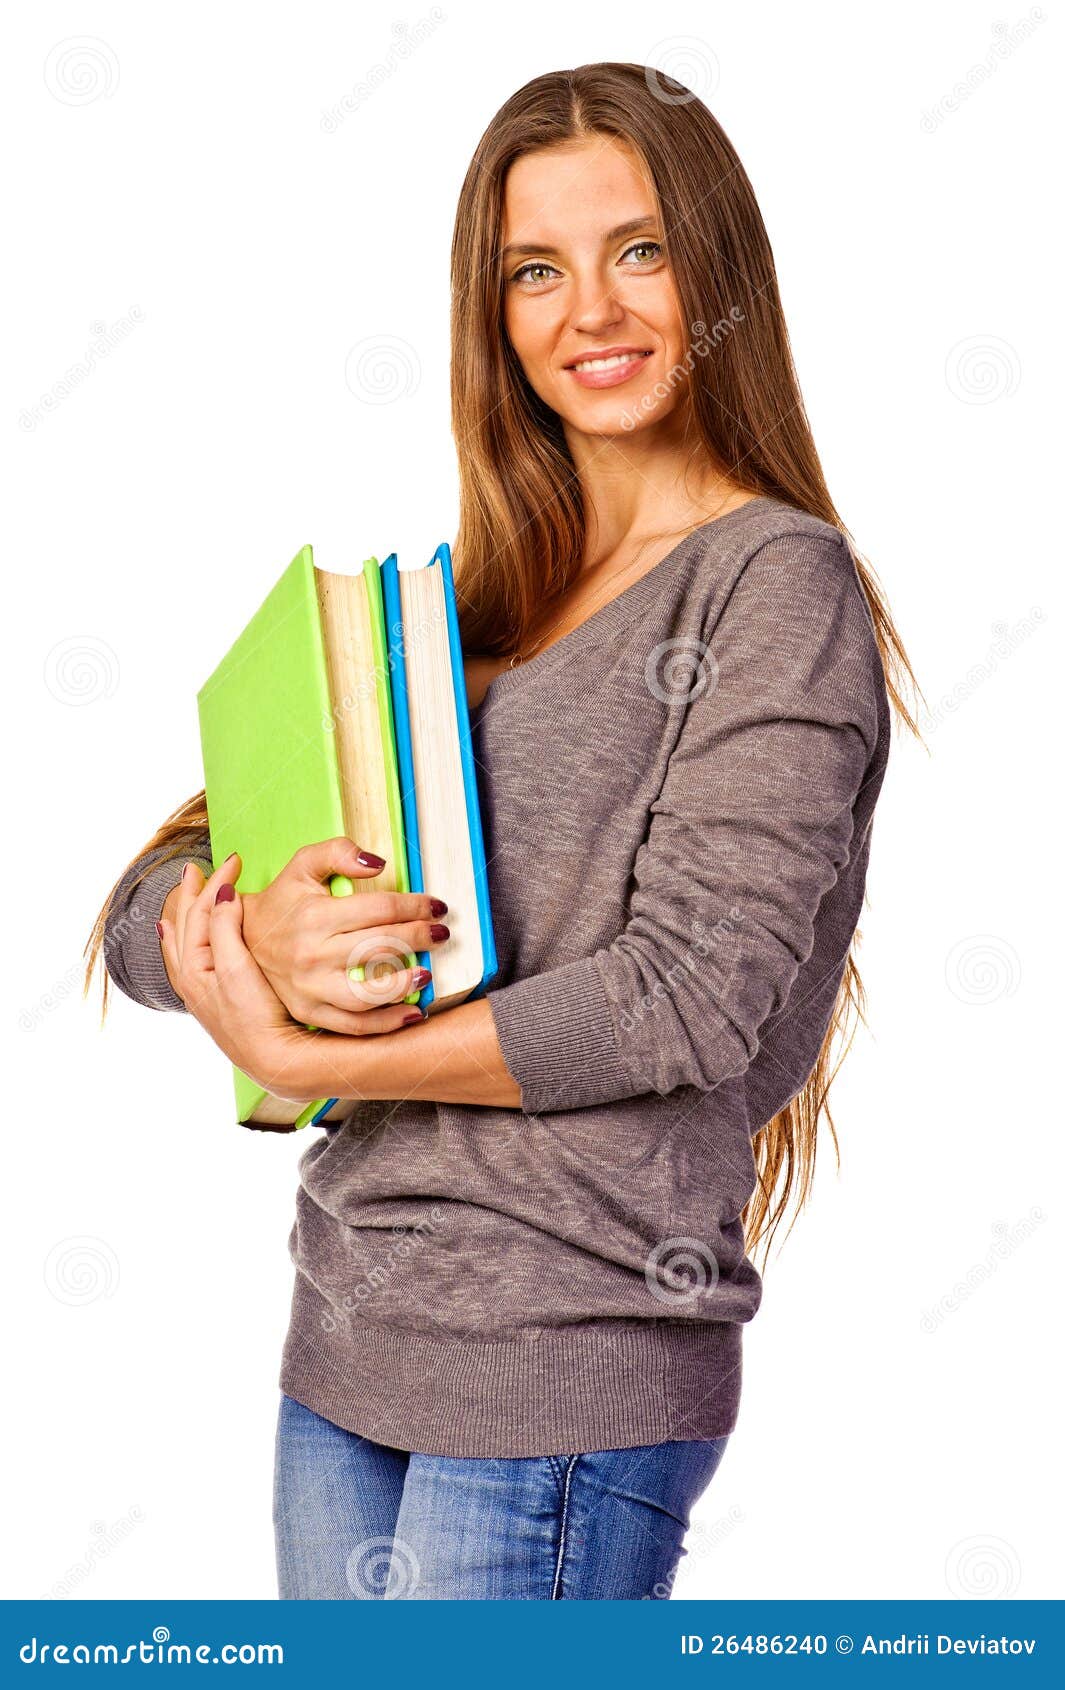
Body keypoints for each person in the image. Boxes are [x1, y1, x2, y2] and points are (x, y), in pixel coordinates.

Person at [85, 62, 917, 1601]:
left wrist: (325, 1054)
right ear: (493, 314)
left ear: (717, 273)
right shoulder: (462, 608)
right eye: (534, 269)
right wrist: (256, 933)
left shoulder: (769, 585)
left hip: (566, 1370)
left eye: (638, 250)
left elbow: (683, 998)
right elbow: (147, 904)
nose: (589, 310)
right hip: (345, 1346)